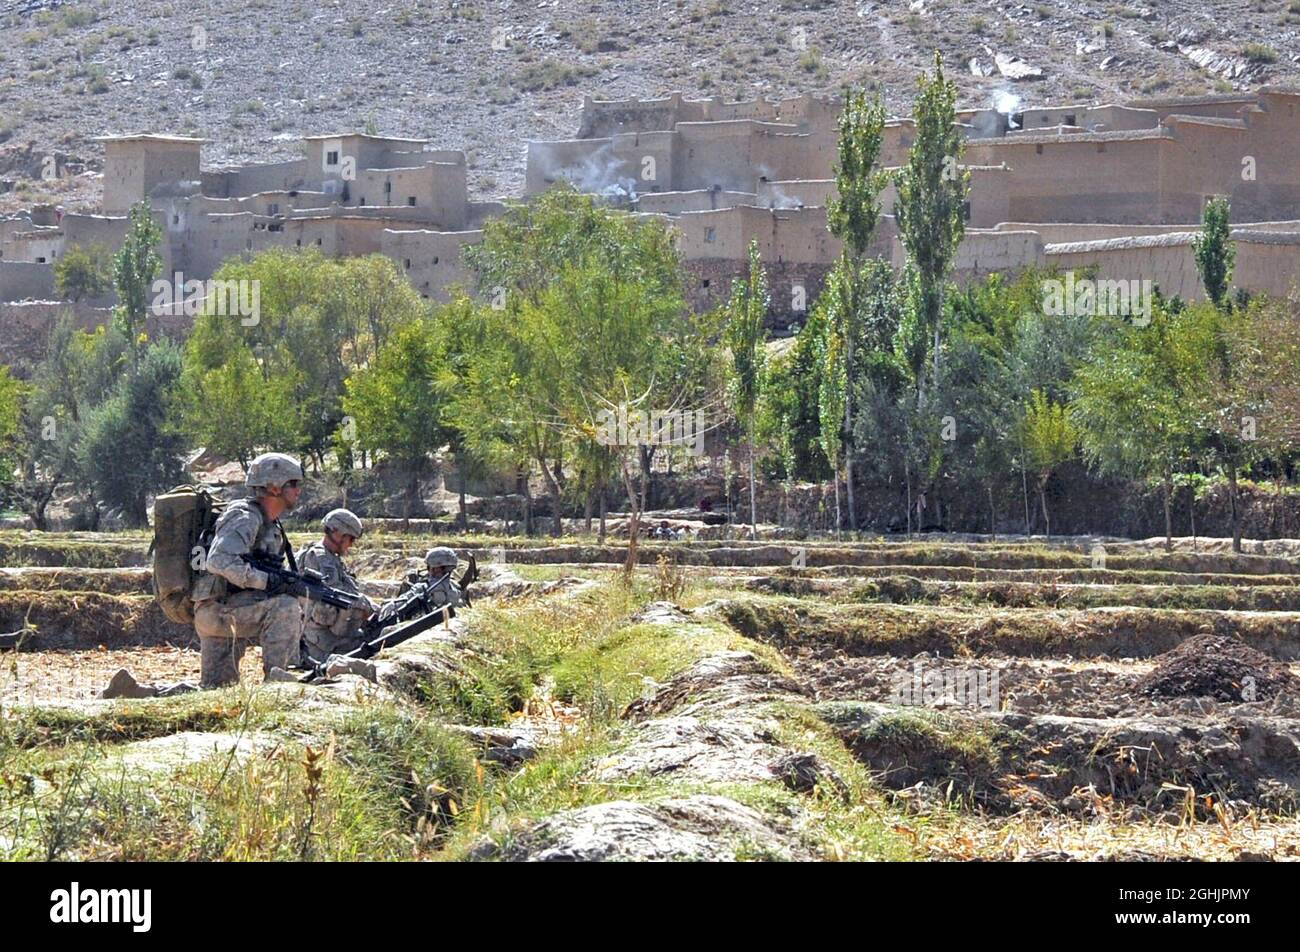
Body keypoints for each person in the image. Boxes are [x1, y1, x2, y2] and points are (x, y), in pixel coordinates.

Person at [191, 452, 306, 688]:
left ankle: (142, 692)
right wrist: (266, 581)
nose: (298, 490)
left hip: (229, 609)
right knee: (286, 607)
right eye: (293, 484)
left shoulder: (271, 525)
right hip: (218, 610)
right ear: (274, 487)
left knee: (215, 690)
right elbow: (218, 560)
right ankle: (279, 681)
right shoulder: (245, 517)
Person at [299, 508, 378, 665]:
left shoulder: (332, 559)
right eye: (350, 539)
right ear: (337, 533)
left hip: (334, 636)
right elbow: (336, 595)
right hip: (321, 642)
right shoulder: (319, 557)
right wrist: (367, 605)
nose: (351, 545)